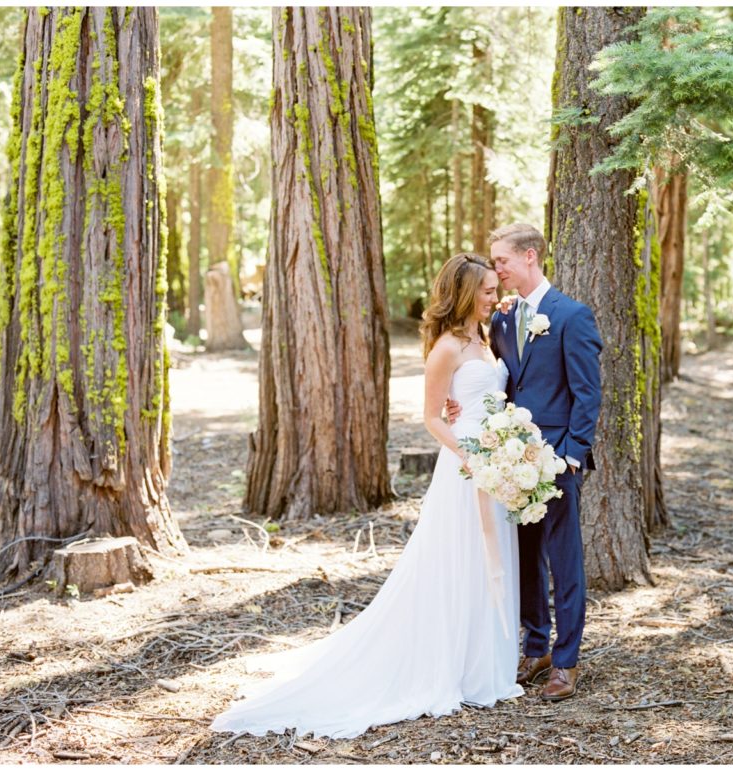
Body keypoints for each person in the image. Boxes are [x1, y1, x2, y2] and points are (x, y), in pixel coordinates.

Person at [210, 253, 523, 739]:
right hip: (466, 468)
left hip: (495, 464)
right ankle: (451, 662)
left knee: (491, 558)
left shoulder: (486, 335)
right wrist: (471, 454)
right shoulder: (446, 348)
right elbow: (433, 416)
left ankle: (485, 661)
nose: (492, 295)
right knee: (458, 559)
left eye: (493, 289)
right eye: (485, 290)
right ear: (464, 293)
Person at [450, 223, 602, 701]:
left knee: (564, 561)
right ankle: (535, 648)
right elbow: (499, 383)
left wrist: (572, 456)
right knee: (525, 560)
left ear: (530, 256)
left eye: (502, 262)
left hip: (556, 461)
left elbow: (587, 392)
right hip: (511, 462)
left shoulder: (572, 315)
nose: (496, 270)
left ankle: (566, 661)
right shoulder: (501, 318)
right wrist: (461, 407)